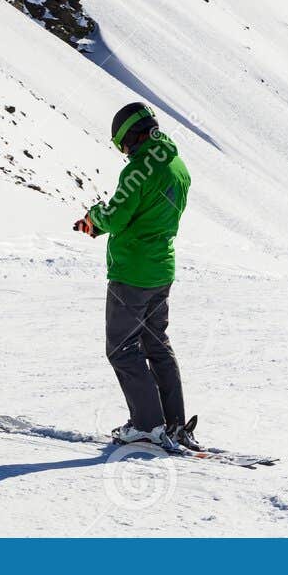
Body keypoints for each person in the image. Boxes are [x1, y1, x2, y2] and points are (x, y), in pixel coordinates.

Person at [73, 101, 196, 451]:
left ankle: (146, 424)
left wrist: (94, 218)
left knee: (121, 348)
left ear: (128, 136)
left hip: (133, 272)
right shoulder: (177, 165)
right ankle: (174, 424)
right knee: (156, 344)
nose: (124, 152)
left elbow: (117, 215)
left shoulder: (140, 169)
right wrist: (102, 224)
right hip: (161, 268)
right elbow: (146, 212)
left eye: (122, 144)